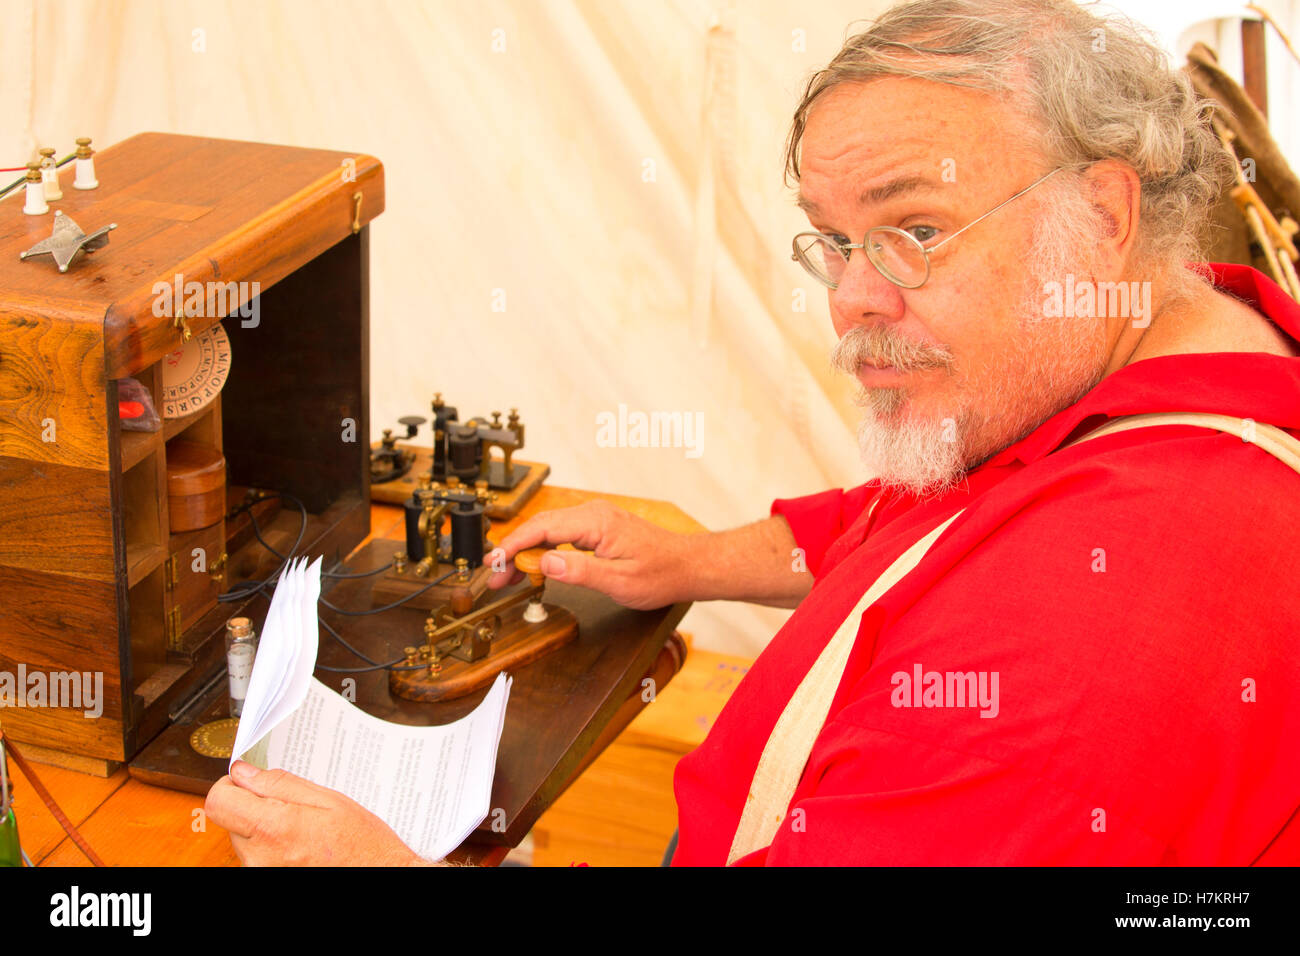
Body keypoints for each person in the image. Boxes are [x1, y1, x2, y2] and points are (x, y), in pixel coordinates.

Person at [206, 0, 1300, 866]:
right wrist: (698, 559)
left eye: (915, 228)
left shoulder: (1086, 643)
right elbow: (942, 514)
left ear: (1101, 215)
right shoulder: (1158, 348)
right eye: (832, 241)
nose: (851, 300)